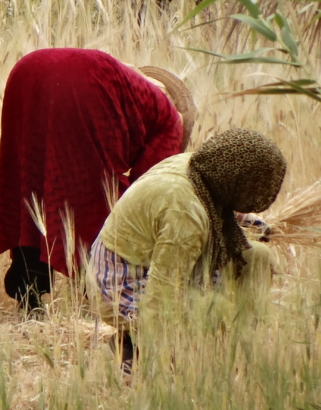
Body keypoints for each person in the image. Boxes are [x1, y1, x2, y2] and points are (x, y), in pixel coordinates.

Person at [0, 49, 195, 310]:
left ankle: (27, 286)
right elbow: (145, 191)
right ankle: (101, 290)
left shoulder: (128, 87)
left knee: (29, 179)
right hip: (86, 81)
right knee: (93, 197)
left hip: (26, 71)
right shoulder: (169, 121)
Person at [86, 128, 287, 370]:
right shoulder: (184, 212)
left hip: (156, 261)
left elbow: (219, 205)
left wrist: (250, 220)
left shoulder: (201, 167)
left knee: (258, 256)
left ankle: (237, 345)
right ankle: (132, 345)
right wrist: (154, 358)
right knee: (215, 308)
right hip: (123, 283)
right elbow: (163, 290)